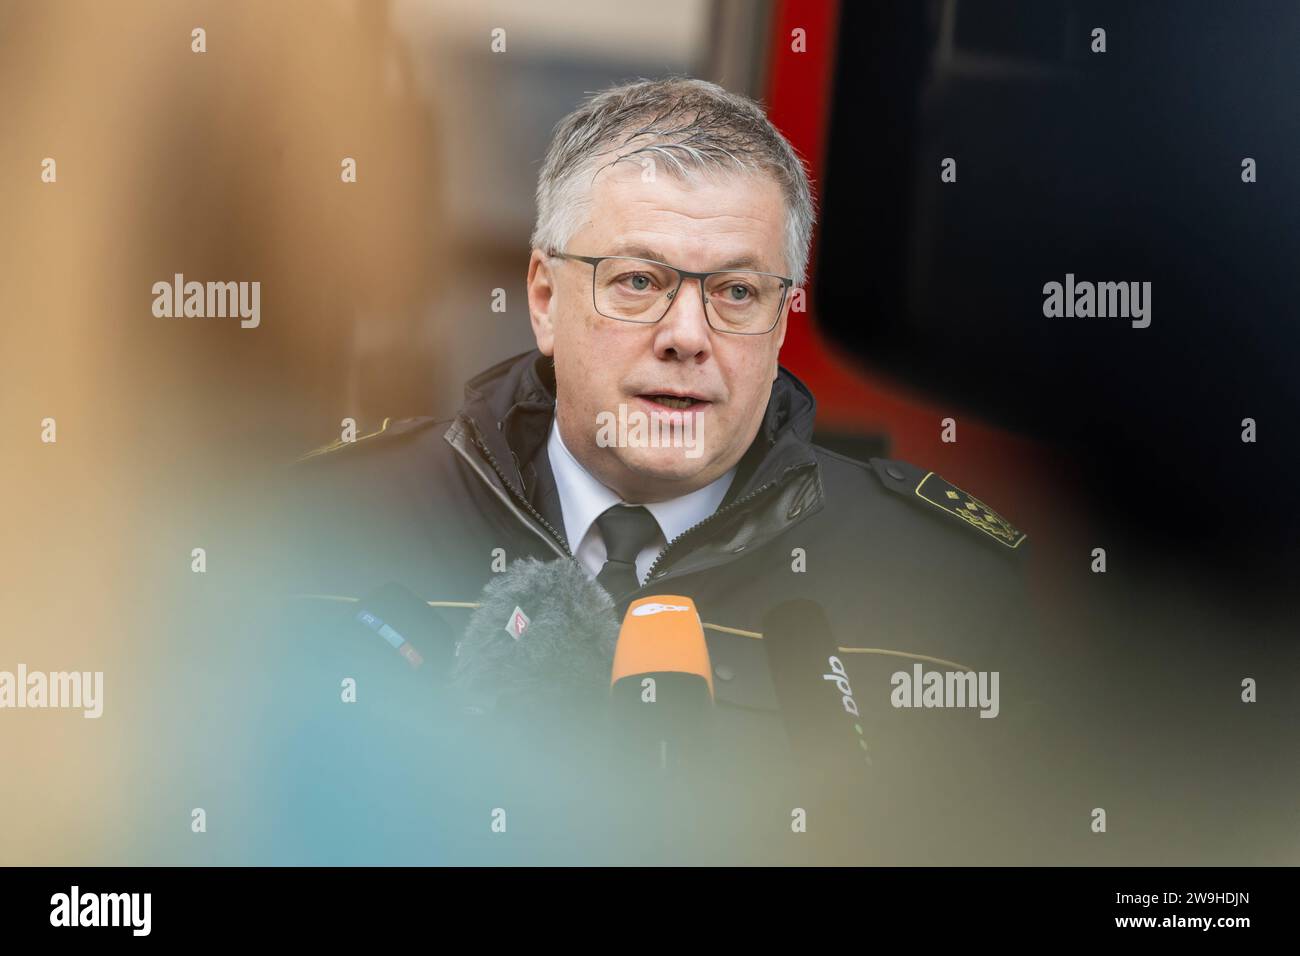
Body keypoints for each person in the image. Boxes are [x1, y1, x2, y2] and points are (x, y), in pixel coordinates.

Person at [274, 77, 1044, 864]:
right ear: (544, 298)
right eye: (639, 281)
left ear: (782, 322)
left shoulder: (953, 593)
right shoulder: (319, 529)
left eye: (738, 292)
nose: (687, 336)